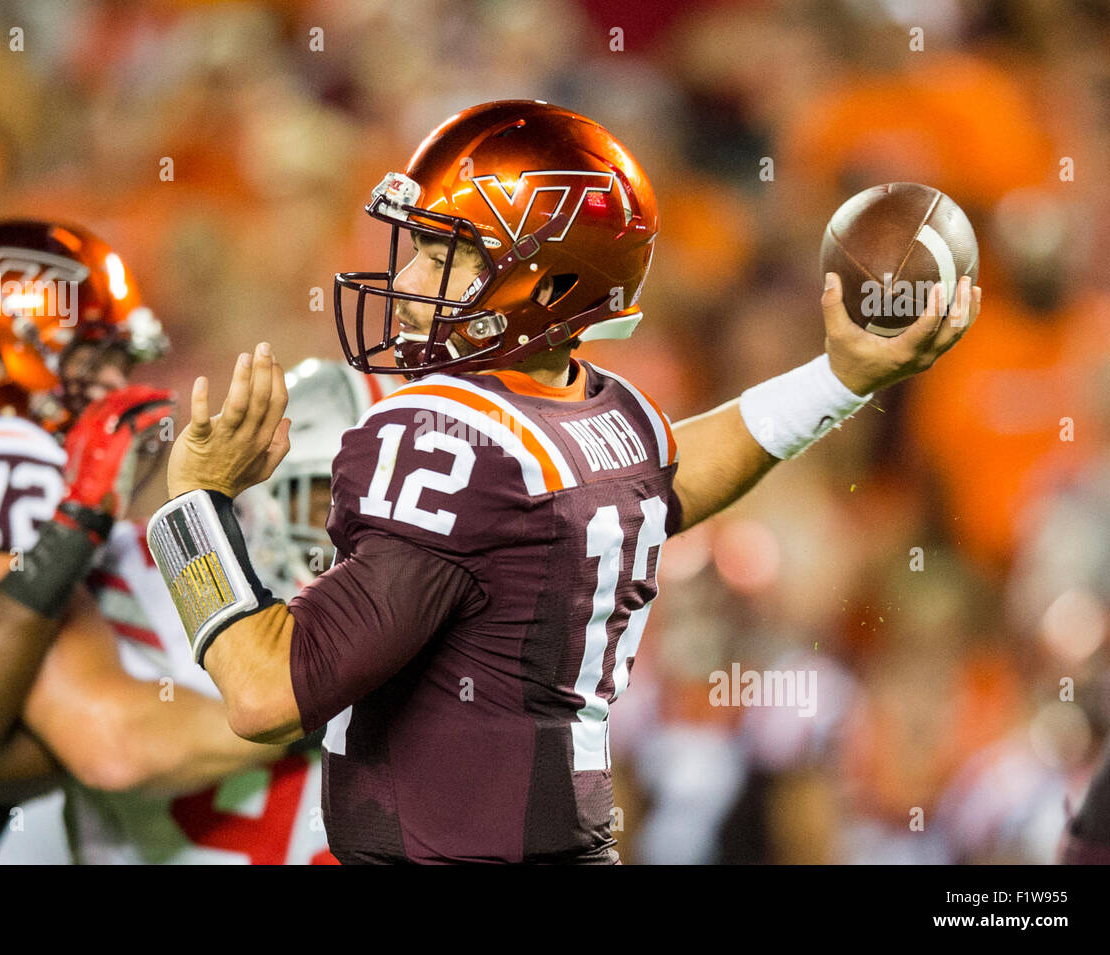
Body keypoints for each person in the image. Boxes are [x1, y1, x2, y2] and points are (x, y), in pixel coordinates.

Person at [149, 100, 981, 864]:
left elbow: (264, 694)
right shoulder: (603, 411)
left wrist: (192, 504)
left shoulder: (442, 435)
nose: (405, 285)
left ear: (544, 283)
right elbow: (673, 479)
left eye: (445, 257)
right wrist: (838, 379)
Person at [0, 220, 282, 863]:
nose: (117, 391)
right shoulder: (3, 457)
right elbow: (113, 741)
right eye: (92, 362)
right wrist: (312, 696)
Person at [0, 359, 387, 864]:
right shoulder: (143, 570)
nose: (364, 533)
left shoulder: (447, 600)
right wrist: (329, 697)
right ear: (264, 497)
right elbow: (114, 747)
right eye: (331, 500)